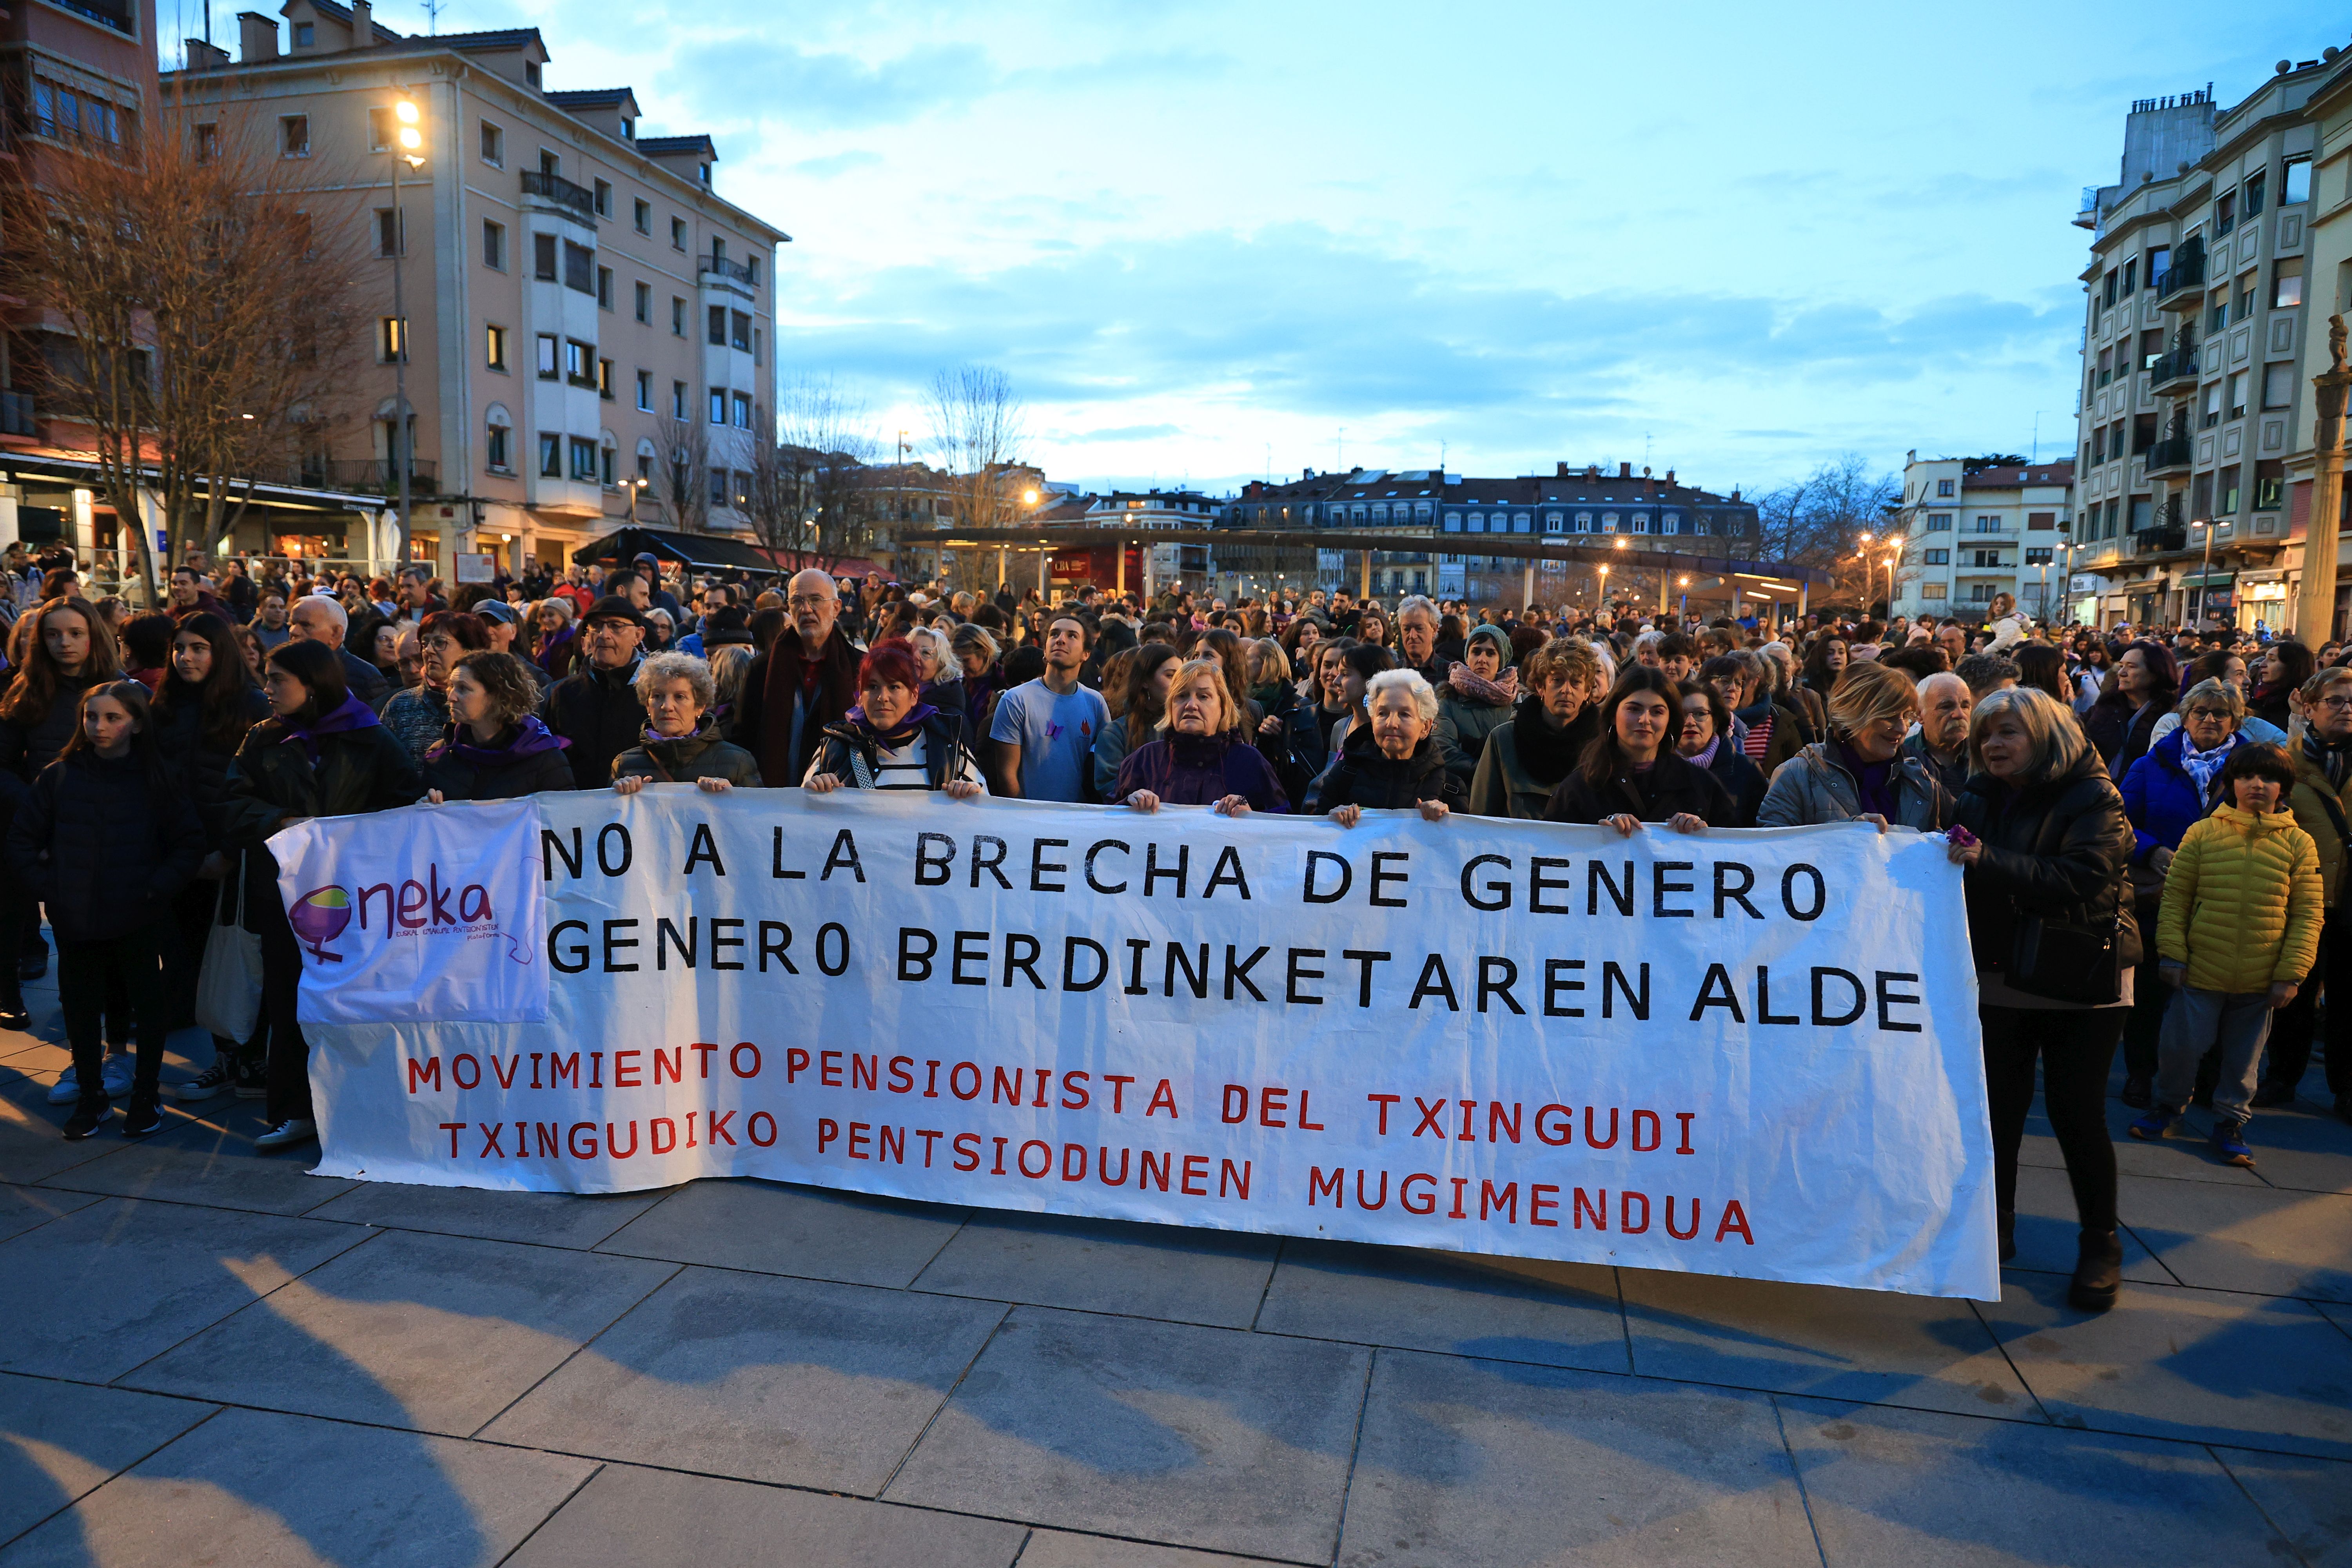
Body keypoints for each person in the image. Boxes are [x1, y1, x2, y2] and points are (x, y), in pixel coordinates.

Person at [1947, 687, 2135, 1311]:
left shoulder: (2094, 796)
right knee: (1995, 1111)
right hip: (2001, 975)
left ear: (2045, 736)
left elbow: (2084, 878)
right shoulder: (1979, 792)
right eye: (1986, 737)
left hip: (2079, 980)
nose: (1993, 746)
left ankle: (2100, 1243)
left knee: (2076, 1114)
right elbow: (1944, 852)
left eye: (2008, 734)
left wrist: (1988, 859)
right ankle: (1993, 1230)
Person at [221, 639, 423, 1150]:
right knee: (290, 1002)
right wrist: (280, 821)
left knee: (357, 1003)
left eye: (277, 680)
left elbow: (404, 807)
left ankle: (371, 1106)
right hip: (285, 900)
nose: (266, 689)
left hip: (359, 902)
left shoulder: (370, 739)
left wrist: (354, 838)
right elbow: (230, 804)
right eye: (266, 678)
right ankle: (294, 1110)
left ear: (311, 685)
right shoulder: (263, 740)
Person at [8, 681, 204, 1138]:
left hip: (138, 914)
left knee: (147, 1002)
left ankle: (146, 1093)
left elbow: (188, 841)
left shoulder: (156, 776)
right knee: (78, 1004)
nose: (99, 726)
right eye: (92, 716)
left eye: (113, 717)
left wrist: (156, 889)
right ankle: (92, 1094)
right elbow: (21, 840)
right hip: (75, 918)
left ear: (136, 722)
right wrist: (51, 889)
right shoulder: (60, 775)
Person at [2131, 744, 2321, 1168]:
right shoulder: (2203, 833)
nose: (2257, 785)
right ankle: (2169, 1106)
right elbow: (2177, 898)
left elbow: (2308, 912)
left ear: (2283, 788)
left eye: (2269, 778)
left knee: (2243, 1060)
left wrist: (2292, 973)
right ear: (2231, 783)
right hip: (2200, 968)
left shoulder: (2299, 843)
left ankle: (2231, 1122)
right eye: (2247, 776)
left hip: (2261, 976)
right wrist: (2173, 954)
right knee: (2180, 1046)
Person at [151, 612, 270, 1102]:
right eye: (180, 647)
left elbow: (255, 789)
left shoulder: (250, 704)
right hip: (178, 855)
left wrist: (227, 850)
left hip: (233, 859)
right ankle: (225, 1058)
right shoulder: (164, 705)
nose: (187, 657)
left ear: (220, 651)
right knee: (197, 959)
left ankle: (249, 1059)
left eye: (199, 647)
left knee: (240, 961)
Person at [2116, 677, 2249, 1106]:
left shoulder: (2253, 770)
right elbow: (2119, 822)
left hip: (2223, 898)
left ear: (2235, 721)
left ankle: (2207, 1081)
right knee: (2152, 993)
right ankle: (2141, 1073)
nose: (2210, 720)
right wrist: (2151, 850)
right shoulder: (2151, 765)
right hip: (2162, 897)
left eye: (2220, 714)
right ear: (2185, 718)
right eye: (2201, 712)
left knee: (2215, 994)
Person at [0, 597, 124, 1042]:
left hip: (104, 825)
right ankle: (8, 991)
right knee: (15, 909)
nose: (64, 643)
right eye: (53, 634)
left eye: (74, 633)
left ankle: (106, 1019)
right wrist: (35, 801)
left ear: (93, 635)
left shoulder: (121, 688)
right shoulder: (24, 688)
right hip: (32, 819)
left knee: (98, 925)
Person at [2265, 666, 2352, 1121]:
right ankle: (2282, 1077)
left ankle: (2347, 1088)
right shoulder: (2285, 762)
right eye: (2336, 700)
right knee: (2293, 996)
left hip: (2351, 900)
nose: (2347, 708)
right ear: (2310, 707)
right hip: (2301, 900)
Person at [1757, 659, 1949, 831]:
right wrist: (1845, 834)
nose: (1902, 728)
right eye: (1889, 716)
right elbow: (1773, 849)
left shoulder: (1919, 778)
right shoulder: (1798, 775)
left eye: (1906, 716)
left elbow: (1942, 839)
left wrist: (1965, 850)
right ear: (1852, 716)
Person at [1548, 666, 1737, 833]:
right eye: (1634, 709)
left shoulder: (1702, 785)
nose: (1645, 720)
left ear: (1669, 720)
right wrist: (1598, 837)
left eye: (1657, 712)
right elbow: (1549, 852)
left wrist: (1706, 834)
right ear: (1614, 715)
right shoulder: (1579, 788)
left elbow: (1735, 849)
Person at [802, 639, 984, 796]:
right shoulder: (834, 749)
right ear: (860, 695)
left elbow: (986, 816)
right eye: (872, 687)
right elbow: (802, 824)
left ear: (914, 695)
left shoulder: (948, 747)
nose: (882, 697)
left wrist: (971, 798)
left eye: (894, 687)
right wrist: (813, 795)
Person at [1114, 655, 1288, 815]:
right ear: (1170, 707)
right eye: (1181, 696)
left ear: (1223, 707)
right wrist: (1129, 805)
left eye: (1203, 696)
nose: (1191, 705)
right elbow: (1105, 820)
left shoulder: (1250, 762)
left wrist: (1251, 815)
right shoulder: (1144, 761)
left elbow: (1284, 827)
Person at [739, 568, 862, 788]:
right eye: (797, 601)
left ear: (836, 608)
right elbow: (743, 738)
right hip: (773, 801)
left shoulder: (860, 668)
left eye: (816, 599)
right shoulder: (761, 669)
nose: (806, 609)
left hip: (838, 798)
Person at [1468, 638, 1601, 819]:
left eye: (1576, 682)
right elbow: (1482, 817)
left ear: (1587, 692)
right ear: (1541, 687)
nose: (1566, 690)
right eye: (1557, 680)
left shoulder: (1602, 745)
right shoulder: (1503, 740)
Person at [989, 612, 1110, 802]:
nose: (1061, 640)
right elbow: (1006, 776)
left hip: (1080, 820)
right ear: (1045, 649)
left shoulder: (1095, 702)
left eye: (1072, 636)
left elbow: (1105, 768)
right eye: (1054, 634)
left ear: (1086, 654)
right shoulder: (1016, 700)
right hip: (1031, 821)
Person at [421, 652, 575, 802]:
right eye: (452, 686)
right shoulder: (440, 756)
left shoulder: (545, 759)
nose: (451, 697)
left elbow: (563, 820)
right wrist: (425, 808)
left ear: (498, 696)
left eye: (463, 689)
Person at [1320, 669, 1459, 823]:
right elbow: (1313, 835)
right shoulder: (1343, 775)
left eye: (1404, 714)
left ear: (1426, 727)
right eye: (1383, 713)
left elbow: (1463, 844)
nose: (1392, 723)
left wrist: (1447, 821)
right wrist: (1331, 819)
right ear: (1373, 721)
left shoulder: (1450, 788)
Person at [612, 651, 762, 789]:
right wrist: (621, 798)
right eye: (657, 696)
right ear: (647, 705)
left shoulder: (738, 762)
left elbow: (757, 816)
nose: (667, 706)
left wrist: (733, 796)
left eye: (680, 697)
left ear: (700, 706)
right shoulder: (625, 765)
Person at [542, 597, 649, 789]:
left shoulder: (656, 693)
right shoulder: (565, 693)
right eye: (596, 626)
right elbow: (547, 759)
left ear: (638, 635)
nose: (603, 634)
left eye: (616, 626)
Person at [379, 610, 490, 764]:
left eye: (439, 642)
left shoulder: (491, 705)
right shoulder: (400, 706)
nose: (428, 651)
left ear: (469, 651)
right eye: (425, 643)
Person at [1435, 624, 1517, 795]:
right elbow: (1444, 753)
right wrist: (1496, 767)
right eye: (1476, 652)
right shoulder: (1448, 700)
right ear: (1467, 658)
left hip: (1510, 798)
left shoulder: (1518, 701)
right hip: (1463, 797)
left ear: (1501, 660)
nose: (1482, 659)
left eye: (1491, 653)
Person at [1674, 679, 1767, 826]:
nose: (1690, 722)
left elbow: (1759, 831)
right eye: (1682, 714)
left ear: (1716, 722)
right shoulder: (1655, 768)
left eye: (1700, 713)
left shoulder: (1747, 770)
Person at [2082, 640, 2178, 776]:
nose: (2122, 673)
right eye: (2121, 666)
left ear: (2156, 673)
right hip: (2099, 790)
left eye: (2131, 667)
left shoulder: (2170, 716)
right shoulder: (2106, 705)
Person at [287, 593, 390, 711]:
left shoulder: (365, 678)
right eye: (292, 624)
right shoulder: (285, 668)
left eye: (306, 625)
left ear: (336, 633)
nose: (294, 631)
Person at [1903, 670, 1973, 800]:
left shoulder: (1985, 755)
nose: (1959, 714)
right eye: (1946, 706)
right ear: (1918, 714)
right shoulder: (1902, 757)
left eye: (1965, 706)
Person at [534, 597, 581, 682]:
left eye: (551, 615)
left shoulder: (574, 640)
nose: (546, 620)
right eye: (543, 616)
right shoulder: (543, 640)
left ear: (563, 616)